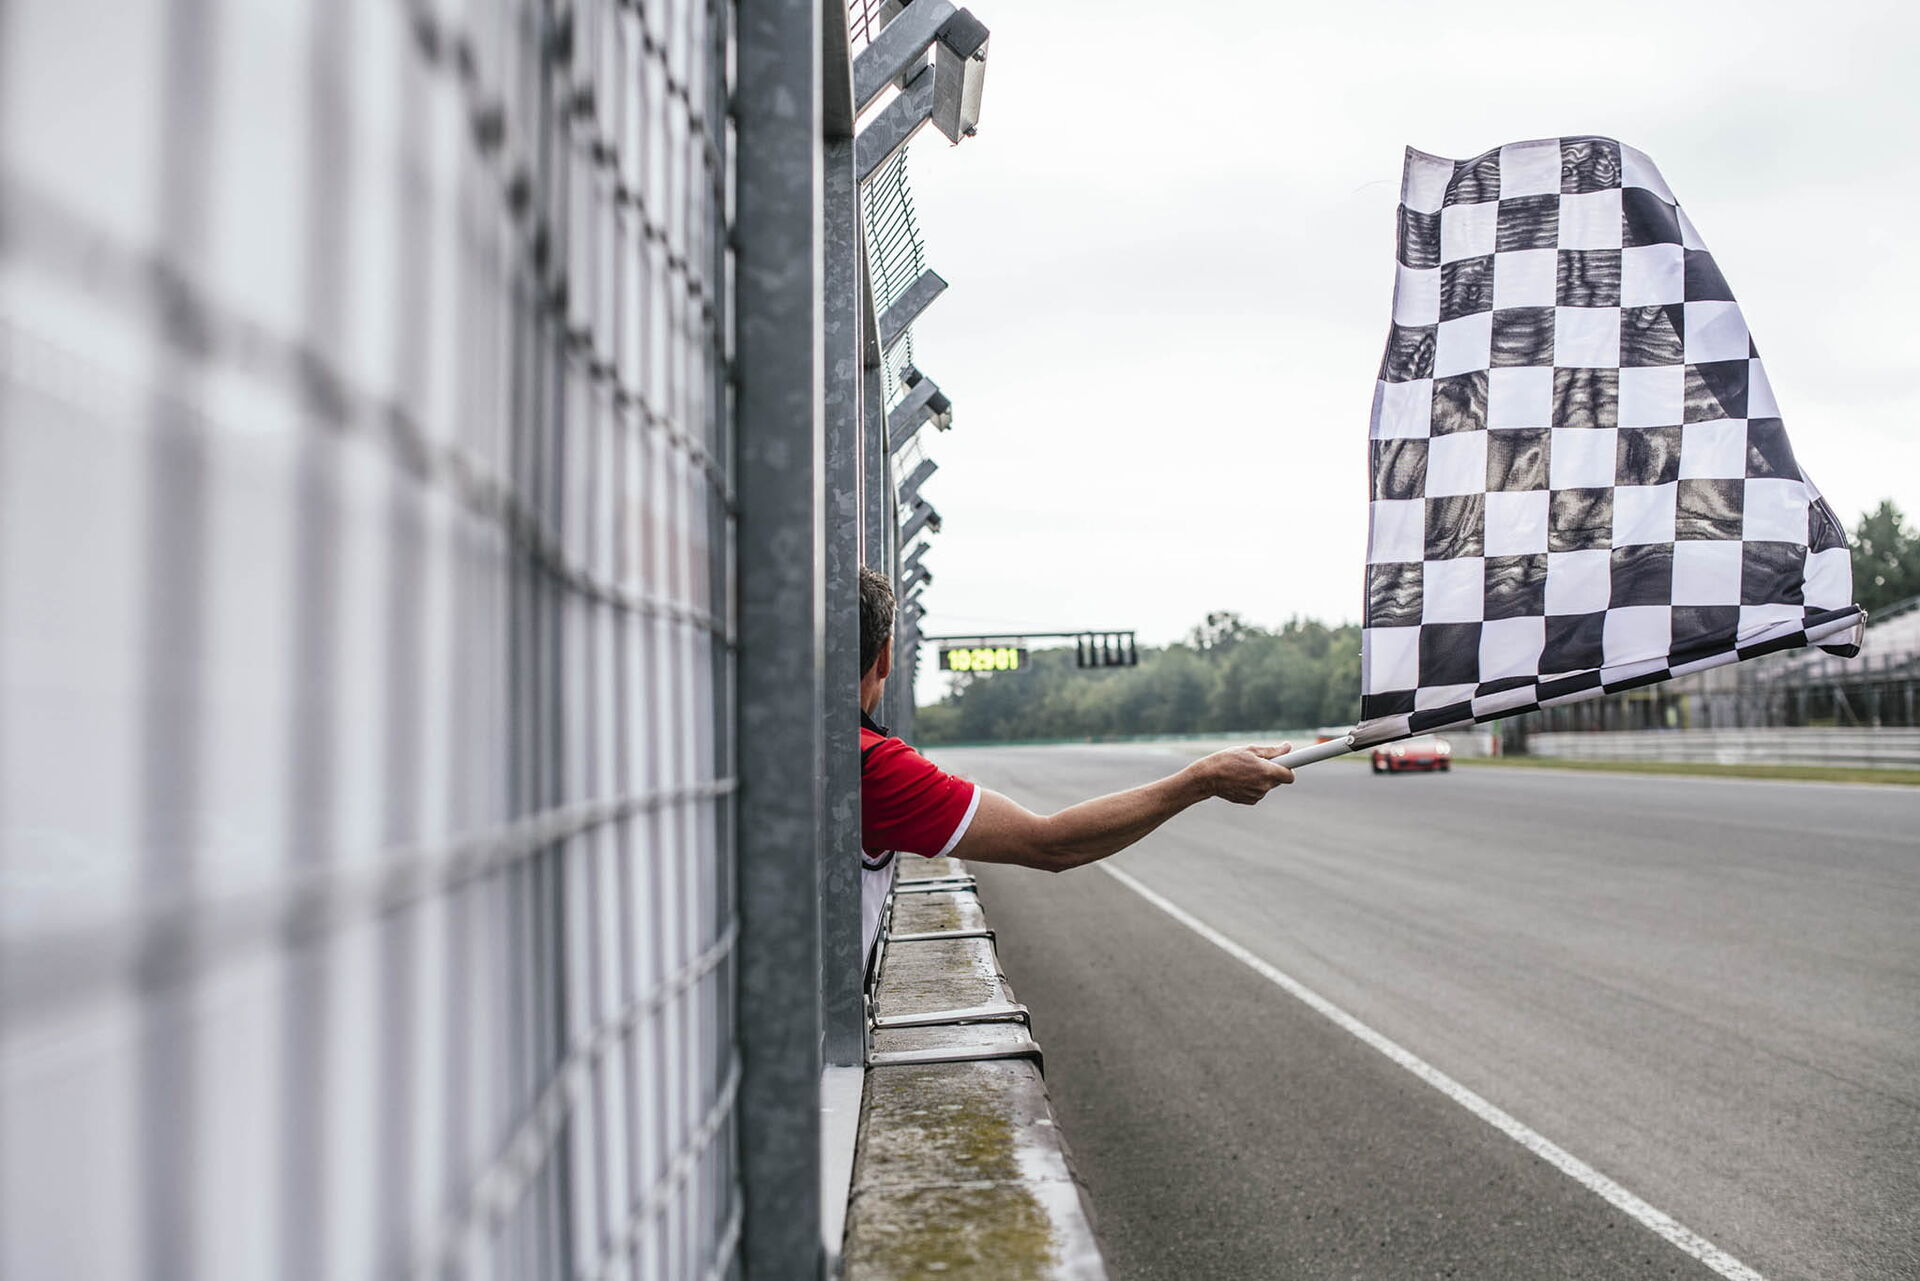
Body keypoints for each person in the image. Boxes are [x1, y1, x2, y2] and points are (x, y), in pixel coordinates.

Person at [858, 567, 1296, 962]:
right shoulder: (874, 766)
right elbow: (1052, 844)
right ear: (886, 656)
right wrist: (1201, 779)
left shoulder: (810, 747)